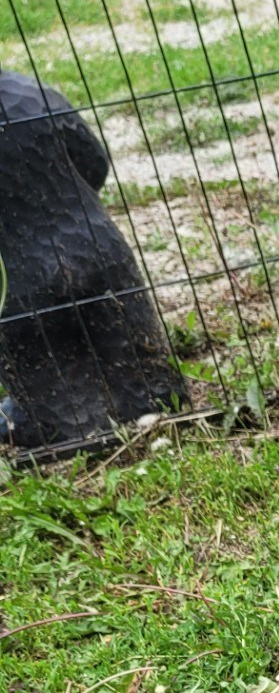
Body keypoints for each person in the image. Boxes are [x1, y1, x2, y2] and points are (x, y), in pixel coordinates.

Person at [0, 69, 185, 447]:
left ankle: (57, 423)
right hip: (96, 245)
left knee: (56, 407)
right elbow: (94, 161)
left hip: (19, 276)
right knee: (148, 379)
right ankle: (151, 397)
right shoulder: (29, 91)